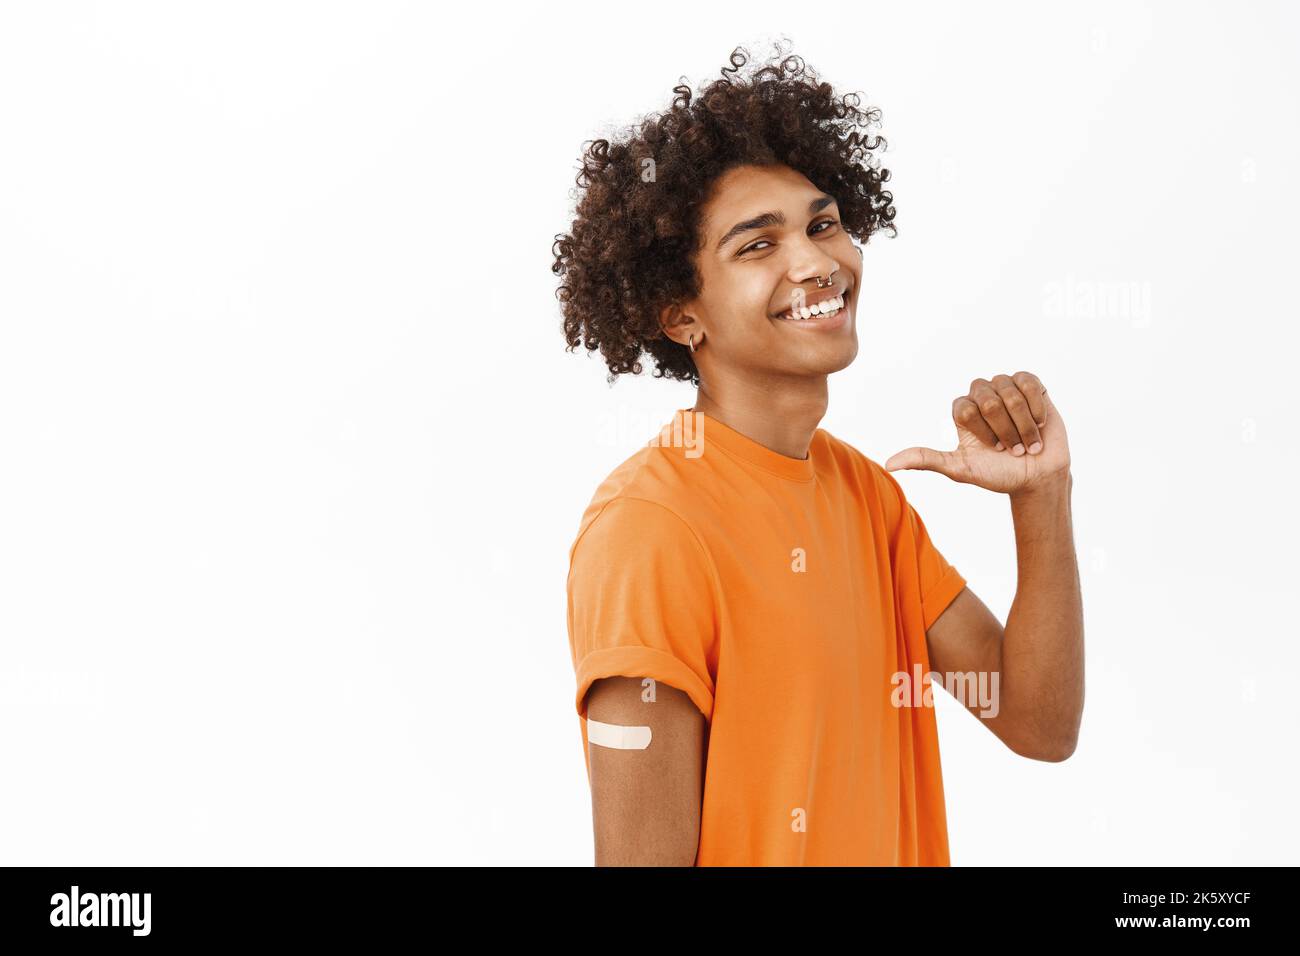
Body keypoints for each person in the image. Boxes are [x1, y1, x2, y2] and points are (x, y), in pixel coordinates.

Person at [552, 45, 1083, 866]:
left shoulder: (868, 499)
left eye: (823, 224)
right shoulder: (649, 531)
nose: (815, 262)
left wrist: (1042, 496)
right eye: (756, 246)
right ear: (680, 316)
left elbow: (1038, 722)